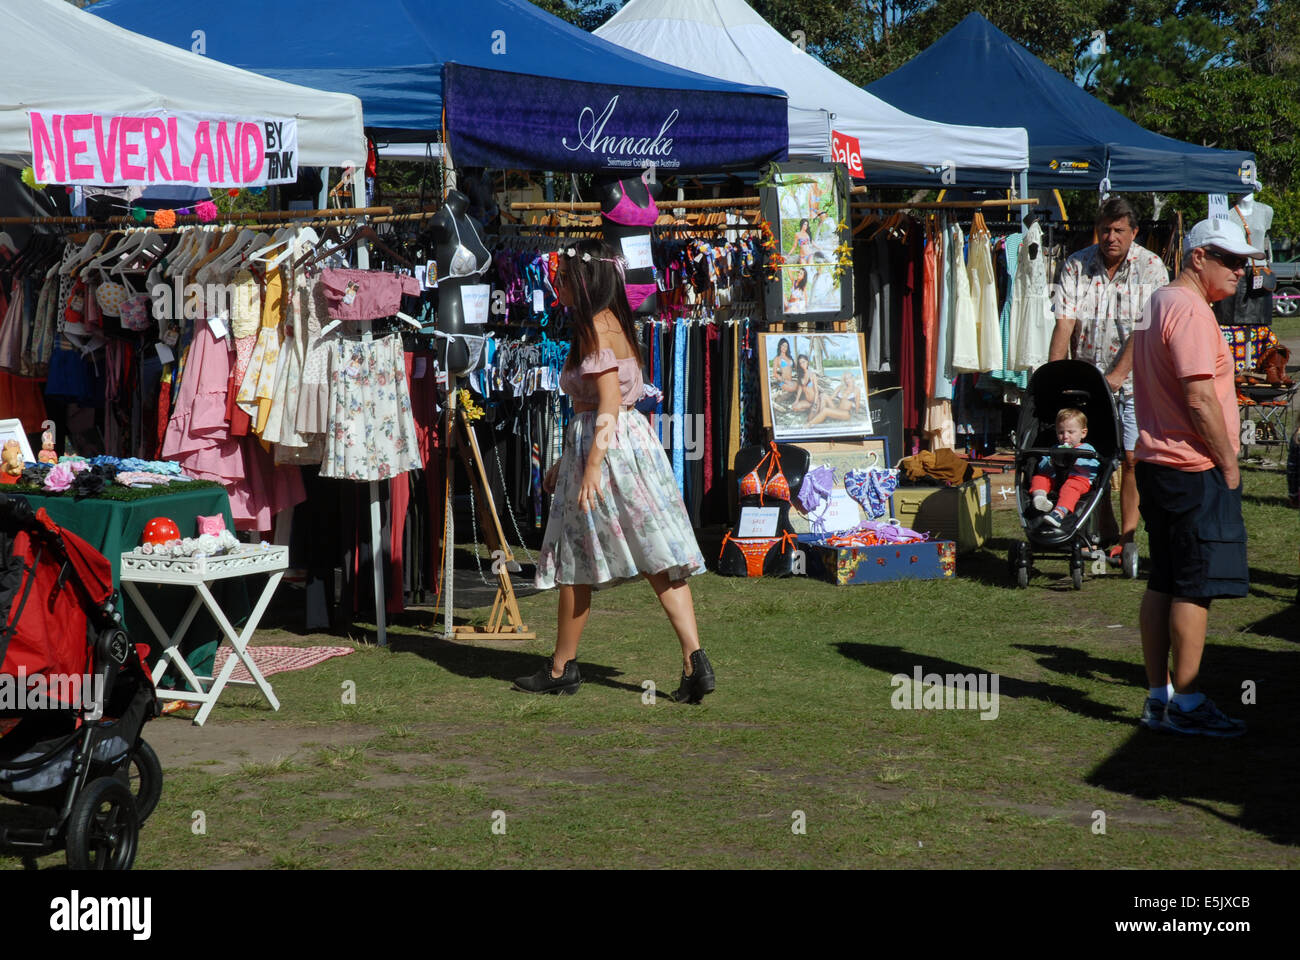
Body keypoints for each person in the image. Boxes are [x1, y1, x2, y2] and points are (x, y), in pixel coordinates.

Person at [518, 240, 714, 703]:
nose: (557, 284)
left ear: (586, 282)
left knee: (574, 561)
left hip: (605, 445)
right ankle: (695, 658)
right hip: (628, 443)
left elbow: (604, 400)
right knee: (657, 556)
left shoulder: (592, 327)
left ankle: (561, 668)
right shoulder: (617, 323)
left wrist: (588, 468)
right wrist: (567, 464)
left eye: (564, 277)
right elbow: (604, 401)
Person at [1132, 218, 1260, 736]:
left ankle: (1159, 696)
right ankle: (1185, 701)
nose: (1240, 270)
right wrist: (1228, 462)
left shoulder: (1160, 302)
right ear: (1197, 256)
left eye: (1243, 261)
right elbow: (1199, 395)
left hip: (1160, 464)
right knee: (1193, 585)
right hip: (1190, 467)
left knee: (1165, 578)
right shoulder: (1186, 308)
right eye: (1230, 260)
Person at [1051, 196, 1169, 556]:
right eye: (1105, 230)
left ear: (1133, 231)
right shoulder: (1075, 265)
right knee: (1092, 454)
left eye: (1119, 230)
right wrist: (1056, 373)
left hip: (1136, 381)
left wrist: (1118, 375)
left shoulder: (1151, 267)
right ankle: (1102, 527)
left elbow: (1145, 329)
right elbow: (1064, 322)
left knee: (1132, 458)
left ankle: (1128, 537)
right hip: (1088, 378)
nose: (1111, 237)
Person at [1027, 408, 1099, 529]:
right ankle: (1040, 497)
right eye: (1061, 432)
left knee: (1070, 487)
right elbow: (1042, 467)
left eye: (1071, 432)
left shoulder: (1087, 449)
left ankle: (1059, 513)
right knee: (1040, 477)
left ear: (1083, 433)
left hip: (1079, 480)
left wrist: (1074, 458)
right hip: (1057, 478)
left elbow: (1091, 469)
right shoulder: (1055, 448)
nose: (1065, 436)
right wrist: (1051, 460)